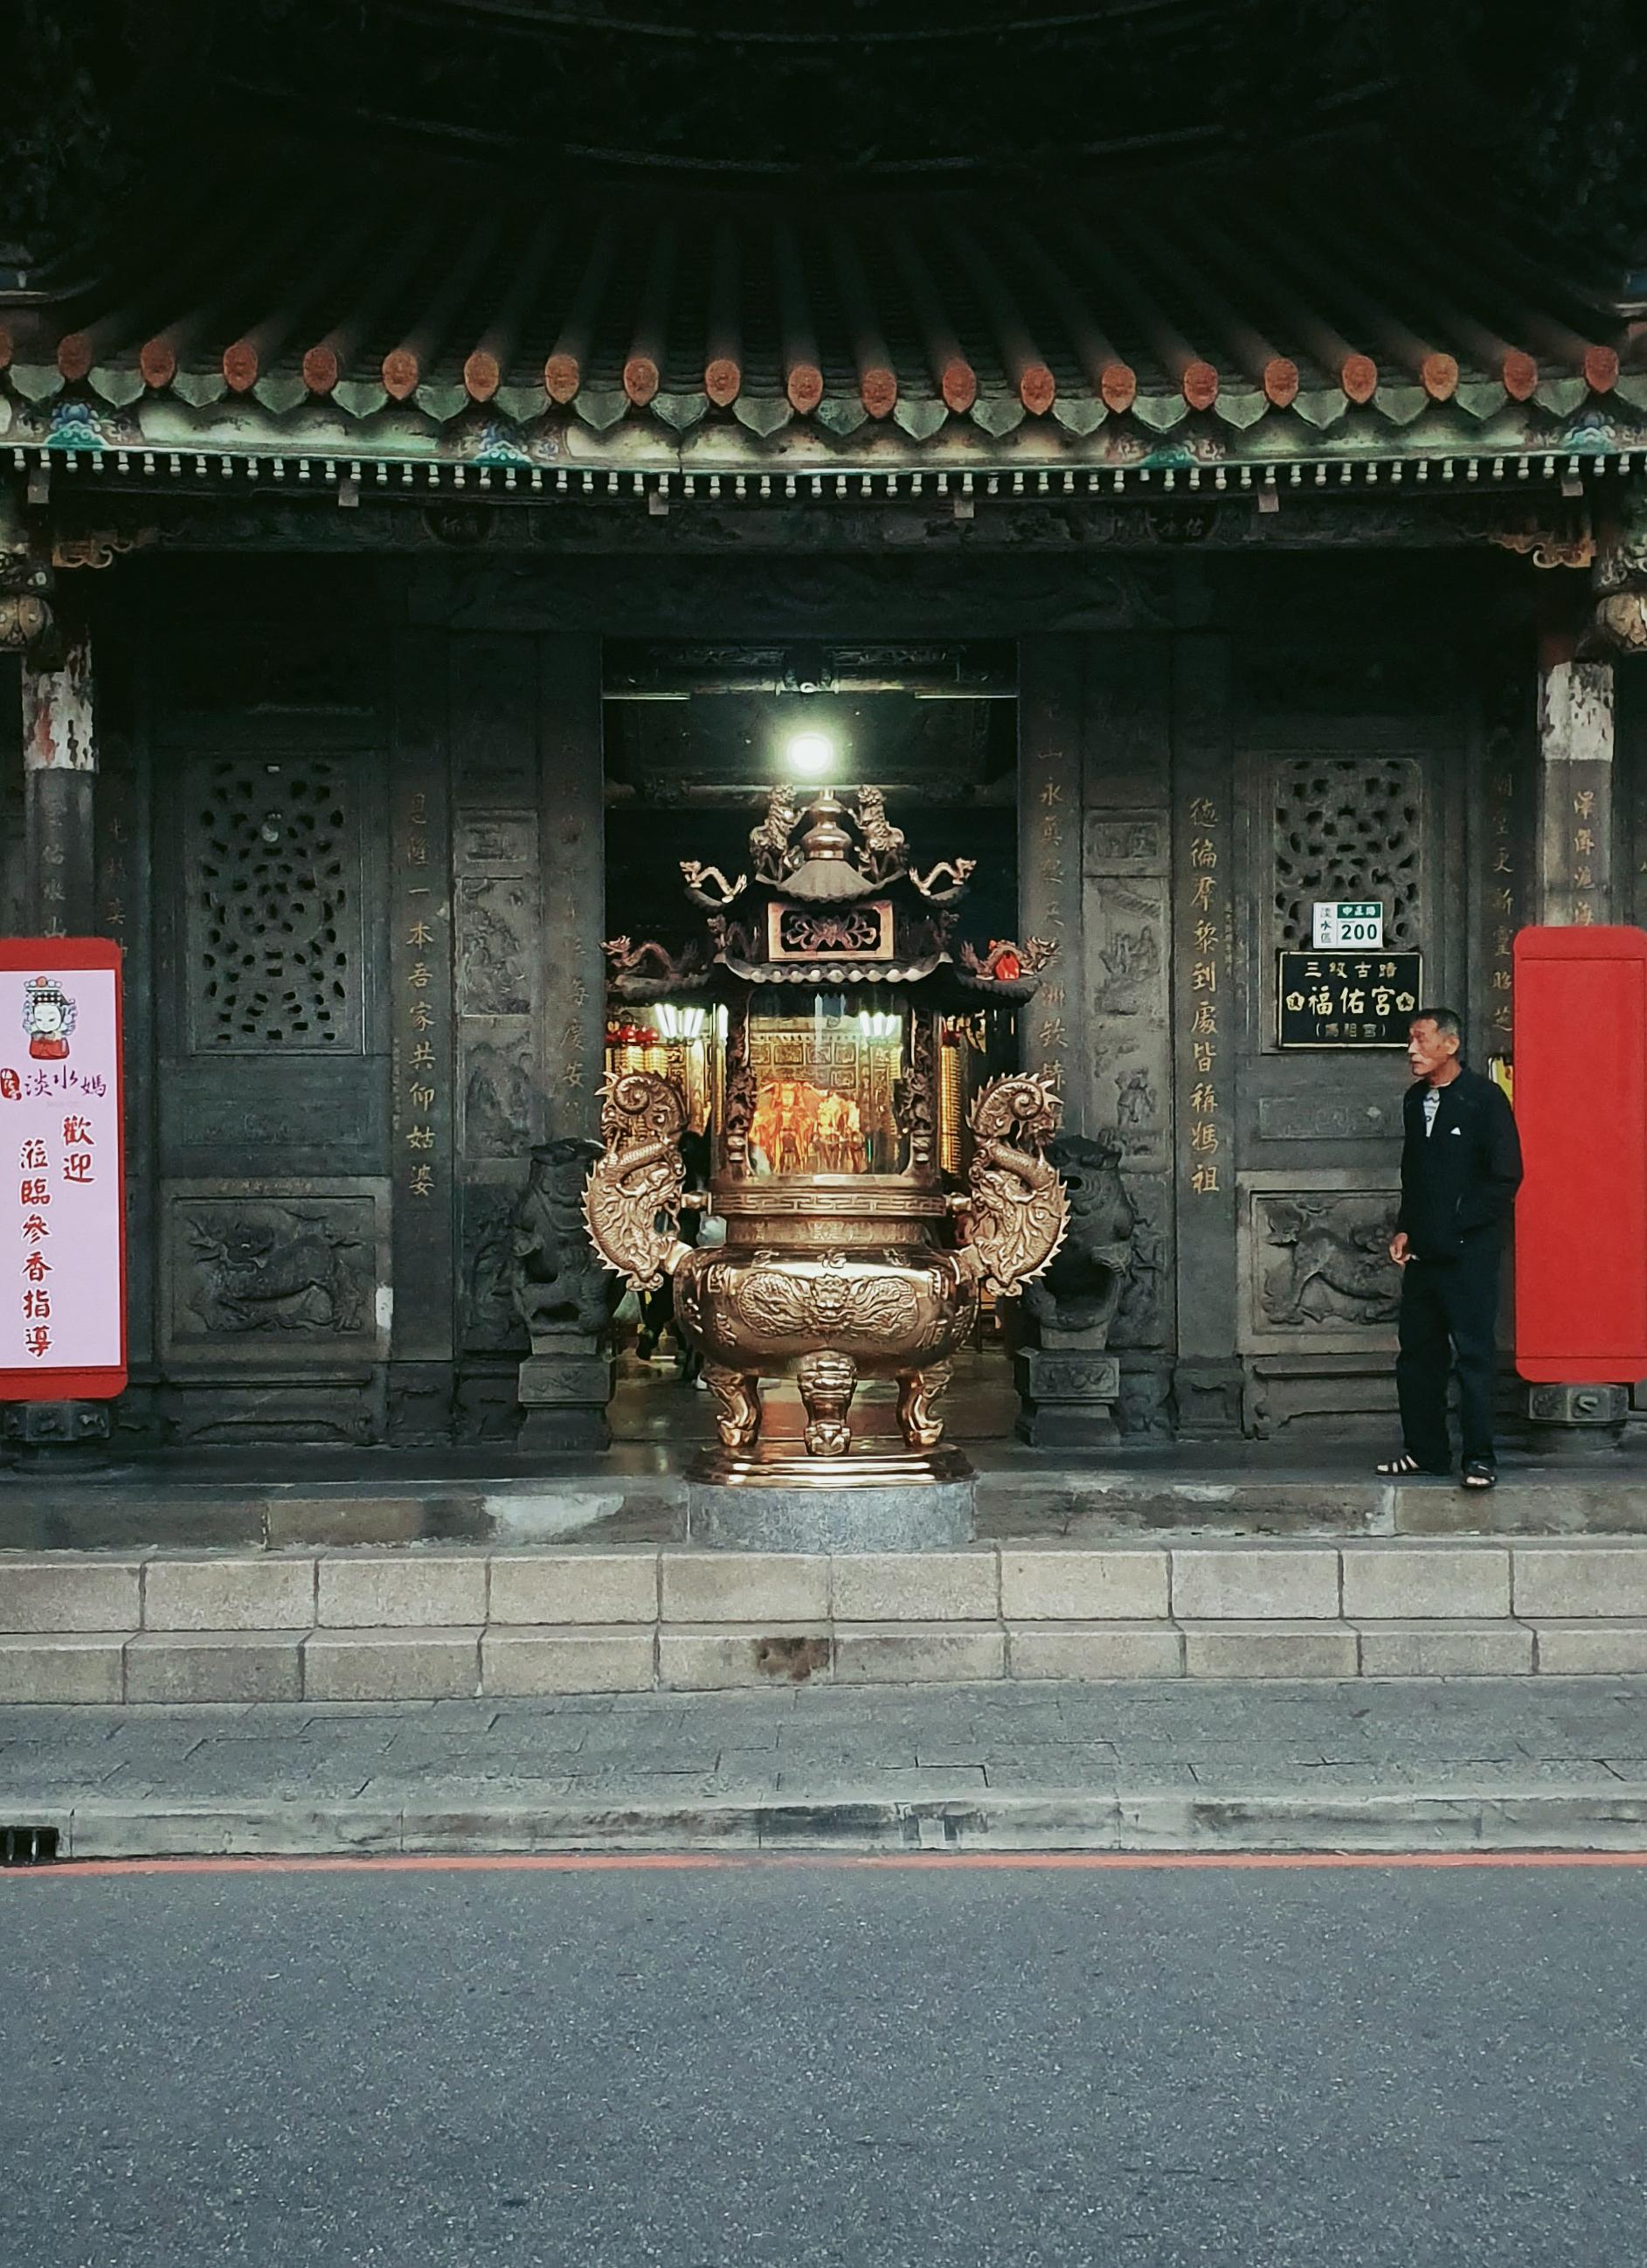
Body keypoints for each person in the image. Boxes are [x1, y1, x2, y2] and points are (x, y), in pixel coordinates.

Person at [1378, 1008, 1522, 1490]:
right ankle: (1426, 1451)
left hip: (1469, 1254)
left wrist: (1457, 1225)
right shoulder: (1414, 1099)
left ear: (1450, 1044)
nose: (1411, 1050)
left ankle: (1479, 1458)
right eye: (1410, 1040)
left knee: (1474, 1357)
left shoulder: (1485, 1100)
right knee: (1417, 1356)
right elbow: (1413, 1172)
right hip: (1423, 1254)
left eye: (1421, 1040)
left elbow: (1505, 1176)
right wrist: (1405, 1227)